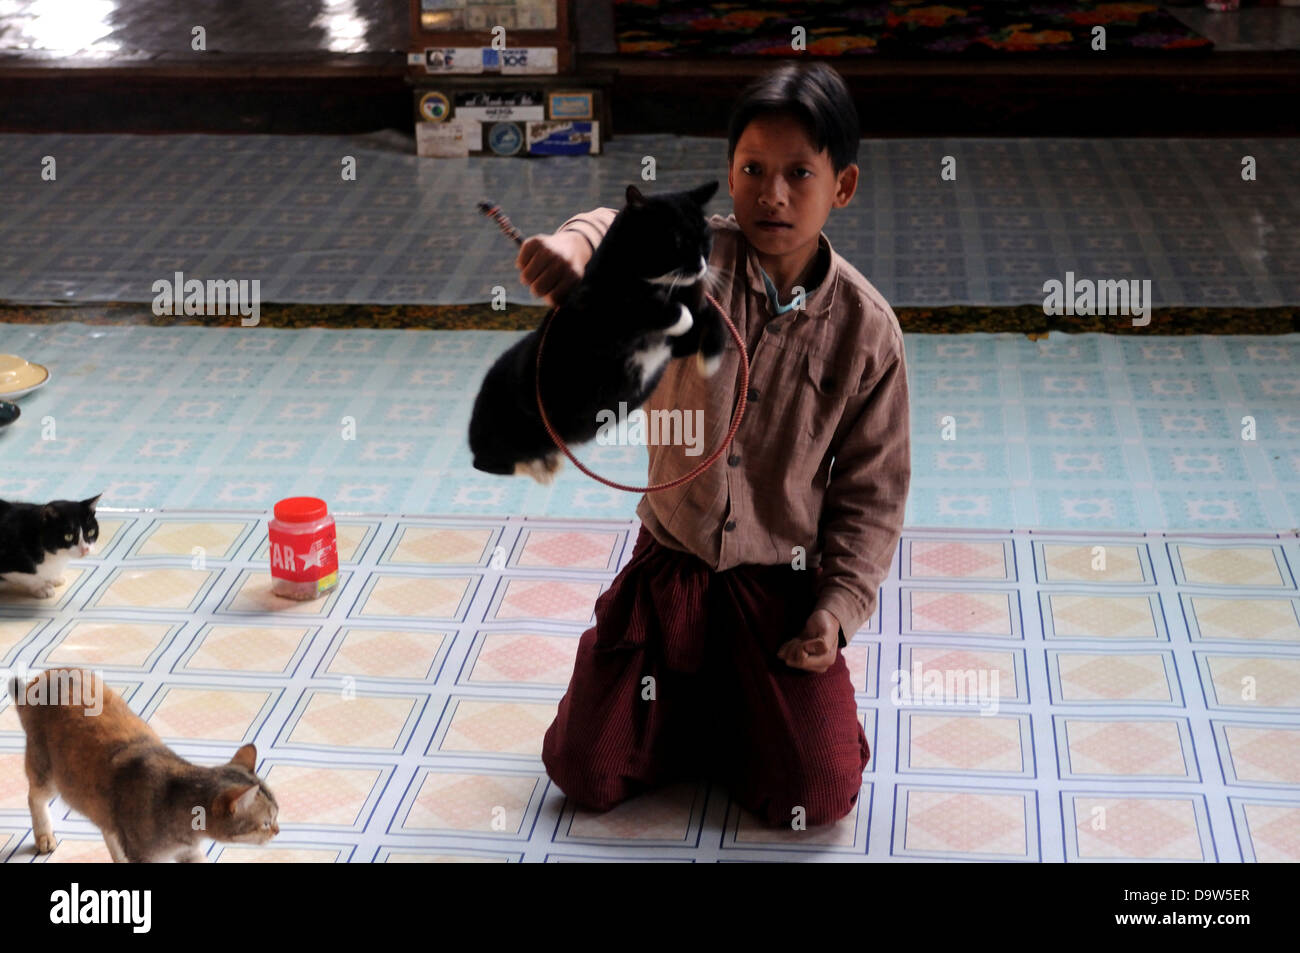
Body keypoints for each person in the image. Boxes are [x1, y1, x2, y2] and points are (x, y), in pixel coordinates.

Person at [516, 62, 911, 828]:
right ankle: (705, 709)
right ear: (728, 176)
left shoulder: (869, 333)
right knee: (583, 771)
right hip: (671, 570)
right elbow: (614, 232)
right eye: (752, 170)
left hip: (781, 586)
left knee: (817, 794)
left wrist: (834, 612)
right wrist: (571, 247)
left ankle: (736, 710)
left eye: (800, 173)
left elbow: (872, 497)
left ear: (845, 185)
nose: (773, 194)